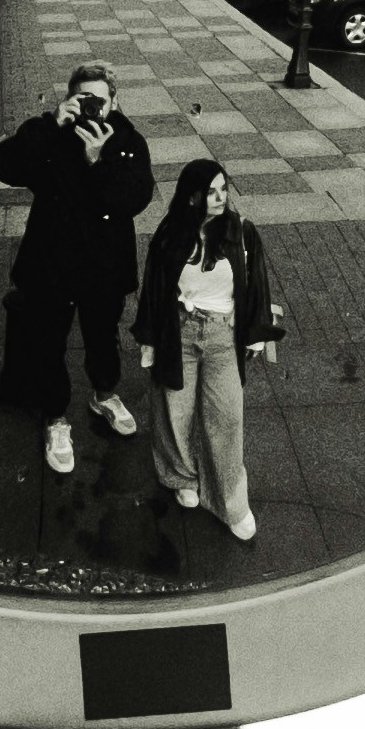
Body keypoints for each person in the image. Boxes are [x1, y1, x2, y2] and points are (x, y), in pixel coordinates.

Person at [0, 58, 155, 475]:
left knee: (103, 336)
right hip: (53, 261)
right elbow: (1, 165)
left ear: (114, 101)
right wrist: (51, 124)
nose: (92, 108)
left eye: (100, 100)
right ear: (69, 99)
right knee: (49, 342)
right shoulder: (52, 136)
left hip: (104, 264)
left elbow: (133, 199)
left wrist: (98, 161)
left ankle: (104, 394)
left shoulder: (128, 141)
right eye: (83, 99)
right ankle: (56, 417)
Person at [131, 156, 282, 540]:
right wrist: (149, 339)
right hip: (178, 331)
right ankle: (180, 475)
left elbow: (257, 284)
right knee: (174, 409)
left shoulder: (241, 232)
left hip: (222, 336)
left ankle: (231, 503)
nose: (220, 198)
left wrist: (255, 333)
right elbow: (154, 287)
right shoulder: (171, 233)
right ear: (191, 197)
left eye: (223, 189)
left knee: (226, 418)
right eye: (210, 192)